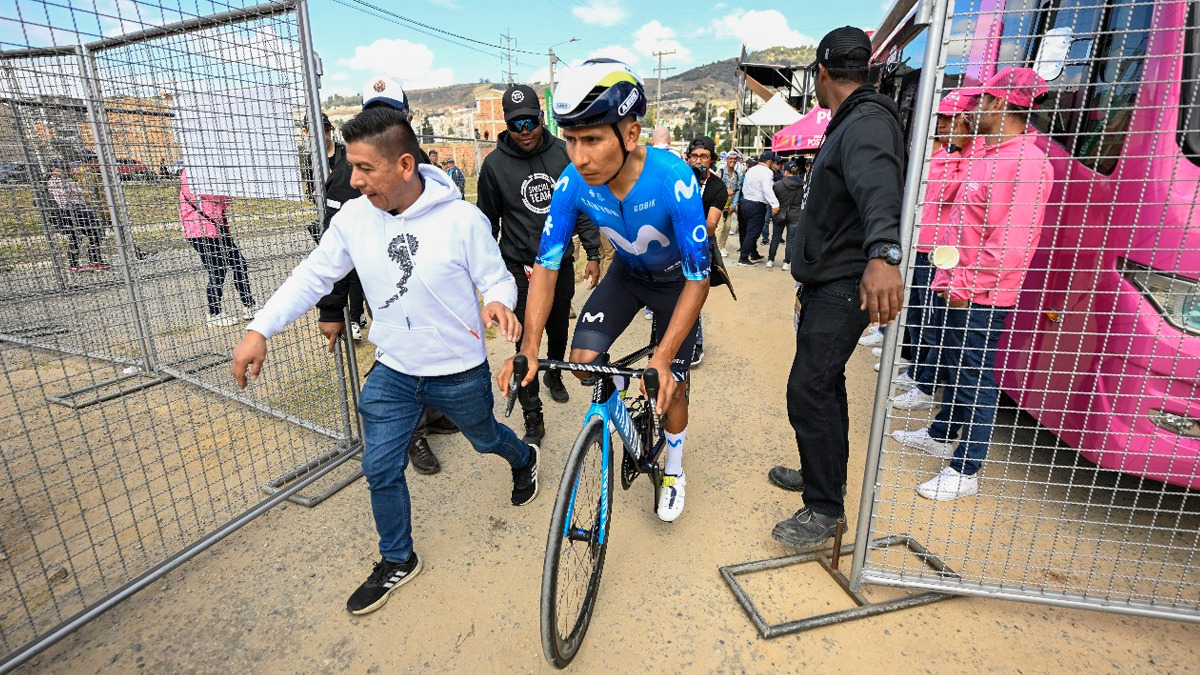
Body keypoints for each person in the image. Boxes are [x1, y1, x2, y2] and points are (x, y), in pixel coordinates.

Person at [231, 106, 538, 615]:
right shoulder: (354, 218)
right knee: (379, 466)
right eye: (351, 167)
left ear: (403, 165)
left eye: (364, 169)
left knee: (485, 439)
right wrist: (259, 327)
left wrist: (499, 300)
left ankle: (522, 458)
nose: (353, 180)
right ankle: (398, 558)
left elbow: (496, 276)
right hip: (394, 370)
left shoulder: (462, 219)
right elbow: (313, 276)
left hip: (457, 371)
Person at [498, 58, 710, 523]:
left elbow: (700, 277)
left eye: (592, 139)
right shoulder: (572, 182)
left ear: (631, 134)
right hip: (628, 278)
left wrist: (663, 354)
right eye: (571, 140)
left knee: (667, 388)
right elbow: (547, 266)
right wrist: (530, 346)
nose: (579, 157)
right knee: (581, 365)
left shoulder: (674, 178)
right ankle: (618, 394)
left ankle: (673, 466)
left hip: (678, 285)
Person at [767, 26, 905, 550]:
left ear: (821, 74)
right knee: (827, 384)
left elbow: (878, 188)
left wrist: (883, 254)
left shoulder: (865, 122)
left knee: (809, 386)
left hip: (847, 282)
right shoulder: (852, 120)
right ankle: (822, 471)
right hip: (829, 279)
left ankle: (824, 507)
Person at [893, 67, 1054, 501]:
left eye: (981, 101)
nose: (973, 110)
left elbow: (1009, 244)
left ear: (1000, 103)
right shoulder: (989, 155)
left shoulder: (1026, 162)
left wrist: (964, 283)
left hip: (980, 294)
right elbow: (964, 227)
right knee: (951, 361)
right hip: (956, 283)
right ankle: (943, 430)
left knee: (975, 377)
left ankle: (967, 468)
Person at [476, 83, 602, 438]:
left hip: (559, 261)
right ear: (506, 124)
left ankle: (555, 372)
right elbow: (487, 223)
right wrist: (489, 277)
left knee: (559, 326)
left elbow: (584, 208)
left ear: (541, 118)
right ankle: (532, 410)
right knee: (523, 340)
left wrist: (593, 252)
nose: (525, 130)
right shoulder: (494, 166)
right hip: (517, 265)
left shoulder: (565, 154)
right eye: (516, 124)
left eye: (530, 121)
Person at [891, 88, 982, 411]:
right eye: (940, 119)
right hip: (925, 244)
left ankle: (926, 383)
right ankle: (918, 371)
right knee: (917, 314)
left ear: (964, 121)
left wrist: (953, 152)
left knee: (933, 322)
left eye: (946, 119)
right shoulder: (948, 153)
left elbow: (942, 193)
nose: (940, 126)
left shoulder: (968, 156)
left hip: (942, 252)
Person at [311, 112, 369, 344]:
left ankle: (356, 316)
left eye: (326, 129)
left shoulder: (346, 154)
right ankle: (354, 318)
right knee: (346, 267)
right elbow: (328, 257)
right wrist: (330, 310)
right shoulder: (312, 161)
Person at [179, 169, 258, 326]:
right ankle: (214, 314)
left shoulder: (211, 171)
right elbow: (211, 195)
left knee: (239, 263)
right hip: (200, 231)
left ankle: (249, 305)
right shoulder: (190, 172)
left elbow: (224, 200)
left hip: (218, 229)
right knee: (218, 270)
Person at [684, 135, 732, 365]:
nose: (698, 160)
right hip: (671, 248)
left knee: (692, 297)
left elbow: (710, 226)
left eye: (704, 156)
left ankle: (696, 344)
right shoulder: (678, 179)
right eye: (694, 155)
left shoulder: (717, 186)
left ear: (712, 159)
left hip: (698, 249)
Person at [46, 160, 108, 272]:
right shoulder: (53, 182)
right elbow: (72, 193)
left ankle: (93, 261)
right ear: (52, 169)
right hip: (69, 212)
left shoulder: (68, 180)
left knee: (95, 233)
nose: (64, 170)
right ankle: (78, 264)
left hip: (81, 210)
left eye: (65, 168)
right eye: (60, 168)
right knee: (79, 237)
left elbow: (79, 192)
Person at [735, 150, 778, 265]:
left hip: (746, 203)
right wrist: (775, 204)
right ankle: (743, 258)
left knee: (749, 230)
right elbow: (767, 189)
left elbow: (744, 187)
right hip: (757, 205)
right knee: (753, 232)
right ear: (769, 161)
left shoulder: (751, 170)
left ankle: (753, 253)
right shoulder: (767, 172)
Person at [767, 160, 804, 270]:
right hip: (795, 214)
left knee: (775, 238)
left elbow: (772, 198)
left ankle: (770, 260)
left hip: (779, 214)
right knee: (791, 240)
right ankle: (787, 262)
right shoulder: (802, 184)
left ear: (786, 172)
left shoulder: (778, 184)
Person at [716, 149, 743, 257]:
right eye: (730, 158)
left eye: (734, 158)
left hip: (730, 205)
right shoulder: (721, 171)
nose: (732, 160)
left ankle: (722, 246)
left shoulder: (737, 174)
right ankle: (717, 248)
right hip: (720, 203)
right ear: (726, 159)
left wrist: (733, 205)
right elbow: (716, 188)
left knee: (727, 227)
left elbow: (737, 190)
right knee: (720, 227)